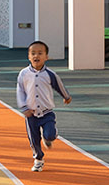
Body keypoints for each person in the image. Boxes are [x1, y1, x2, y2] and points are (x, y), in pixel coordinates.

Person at [16, 40, 72, 173]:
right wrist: (23, 107)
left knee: (50, 134)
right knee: (34, 139)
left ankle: (50, 137)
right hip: (31, 114)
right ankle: (38, 159)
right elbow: (20, 91)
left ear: (46, 57)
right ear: (29, 57)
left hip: (47, 113)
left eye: (40, 53)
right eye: (33, 53)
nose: (36, 56)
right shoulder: (23, 74)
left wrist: (66, 96)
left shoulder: (50, 74)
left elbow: (59, 86)